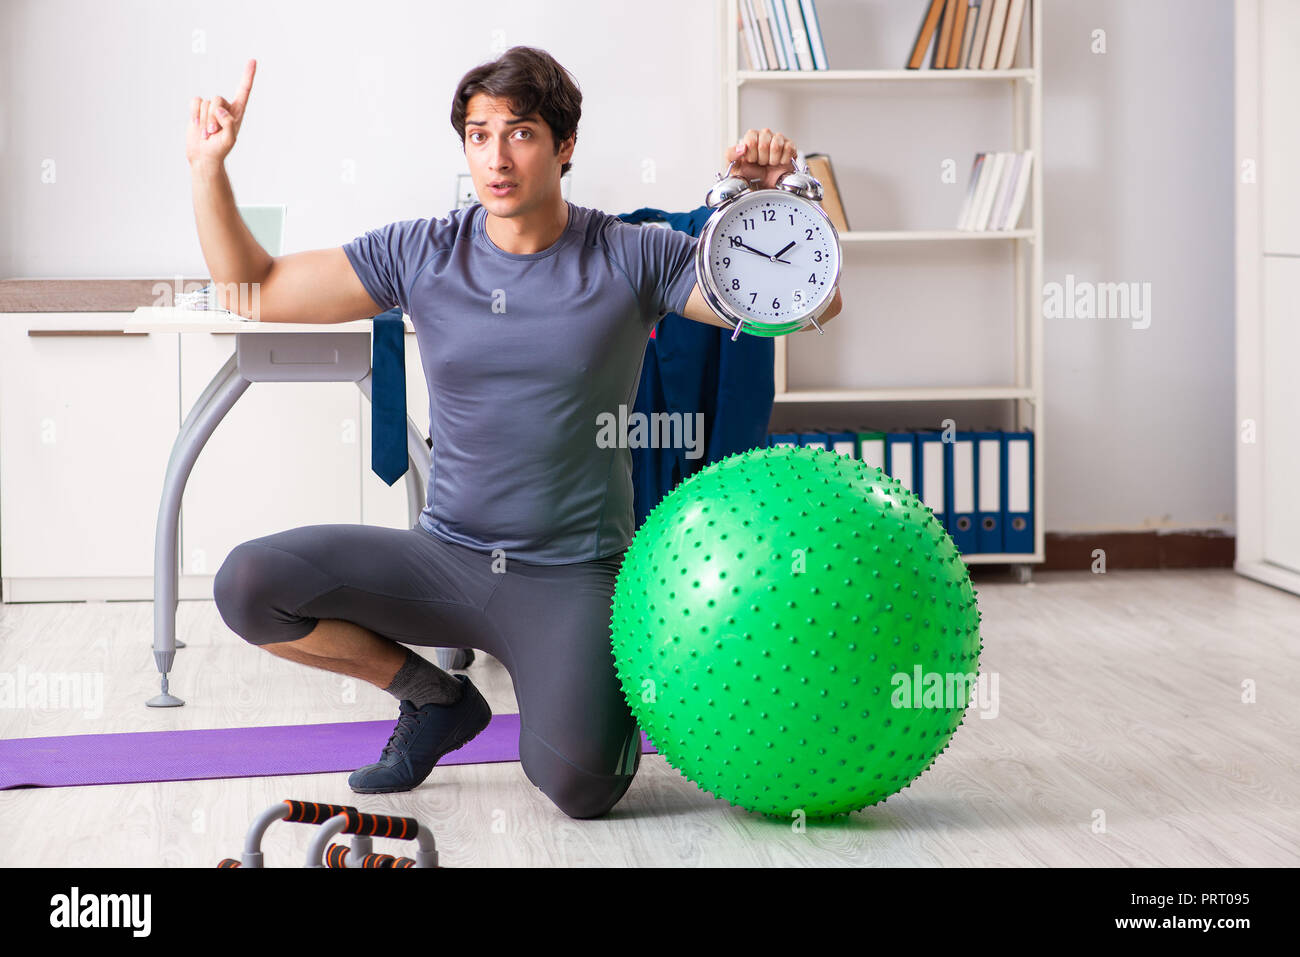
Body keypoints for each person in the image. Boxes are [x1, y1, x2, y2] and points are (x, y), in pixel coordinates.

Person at [187, 47, 842, 819]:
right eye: (478, 133)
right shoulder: (423, 251)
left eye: (521, 133)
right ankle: (434, 699)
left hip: (573, 574)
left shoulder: (632, 255)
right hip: (444, 557)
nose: (495, 158)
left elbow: (807, 306)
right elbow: (251, 290)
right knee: (249, 584)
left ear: (565, 145)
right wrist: (208, 168)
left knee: (579, 787)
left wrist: (785, 199)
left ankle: (591, 690)